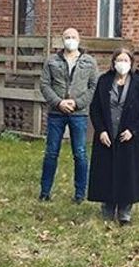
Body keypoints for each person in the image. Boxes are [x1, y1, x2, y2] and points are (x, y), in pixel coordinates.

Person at [87, 47, 139, 225]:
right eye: (119, 60)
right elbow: (95, 109)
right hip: (107, 134)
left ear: (131, 63)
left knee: (127, 173)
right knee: (106, 171)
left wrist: (133, 130)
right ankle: (107, 208)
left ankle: (124, 211)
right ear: (113, 62)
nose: (122, 64)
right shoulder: (104, 81)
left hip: (128, 136)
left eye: (125, 60)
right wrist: (100, 130)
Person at [38, 27, 98, 203]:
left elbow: (93, 86)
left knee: (79, 153)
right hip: (56, 113)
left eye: (73, 37)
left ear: (79, 40)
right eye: (67, 37)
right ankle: (45, 191)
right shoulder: (51, 61)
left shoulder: (89, 62)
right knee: (51, 152)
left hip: (79, 114)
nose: (70, 40)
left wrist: (77, 103)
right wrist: (58, 102)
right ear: (62, 40)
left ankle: (80, 193)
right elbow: (44, 85)